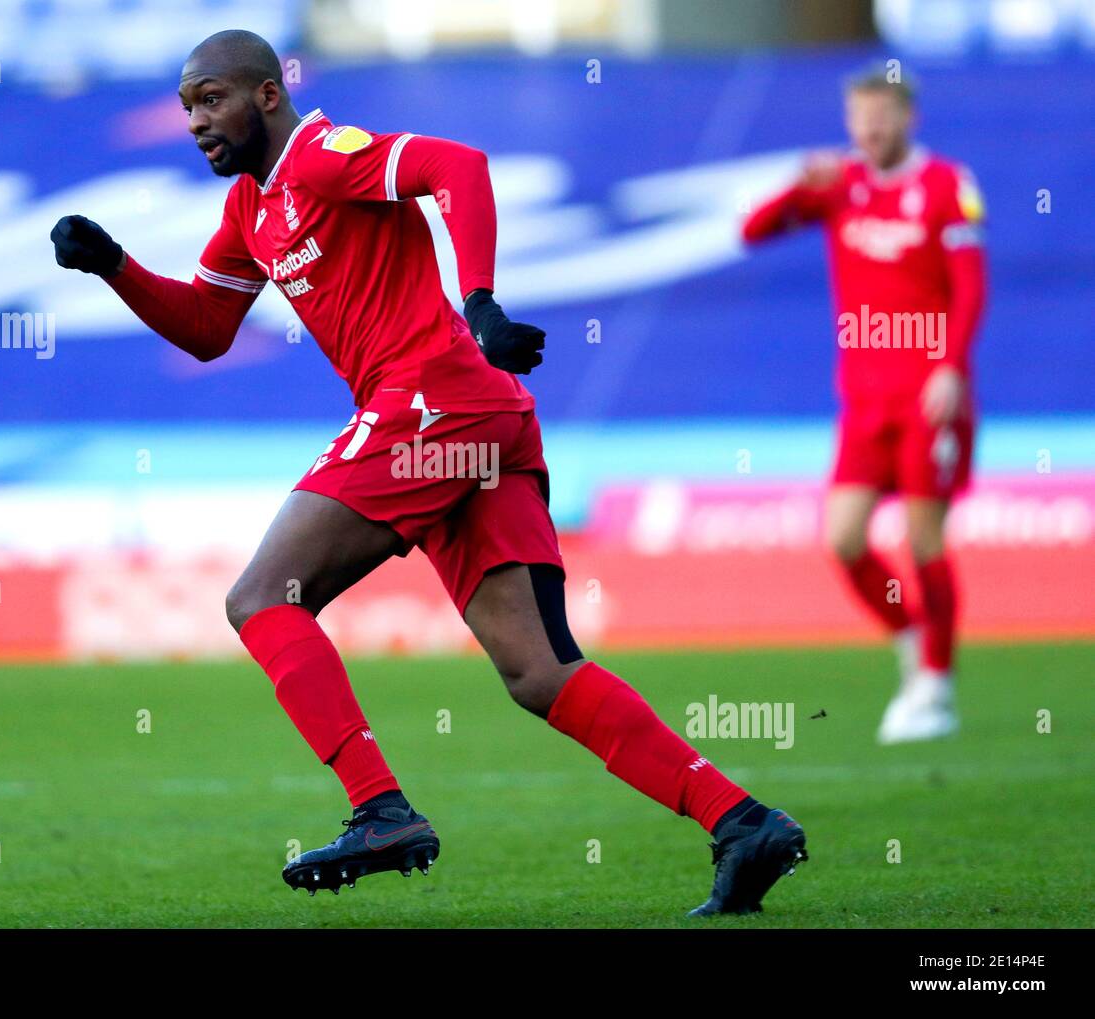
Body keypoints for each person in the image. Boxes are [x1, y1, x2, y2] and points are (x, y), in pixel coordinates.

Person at [52, 29, 806, 915]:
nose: (194, 121)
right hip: (472, 425)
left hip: (431, 399)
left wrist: (480, 299)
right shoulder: (250, 212)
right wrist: (113, 267)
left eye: (210, 98)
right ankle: (742, 820)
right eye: (184, 106)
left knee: (262, 597)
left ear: (265, 95)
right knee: (539, 671)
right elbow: (208, 328)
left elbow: (460, 167)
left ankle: (380, 808)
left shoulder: (325, 157)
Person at [742, 67, 987, 744]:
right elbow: (752, 230)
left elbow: (970, 290)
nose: (870, 129)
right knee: (844, 538)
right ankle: (911, 640)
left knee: (922, 537)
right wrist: (801, 183)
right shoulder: (841, 186)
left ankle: (936, 682)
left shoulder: (946, 187)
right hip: (864, 401)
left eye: (881, 115)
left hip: (929, 397)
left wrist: (951, 367)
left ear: (907, 117)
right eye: (859, 117)